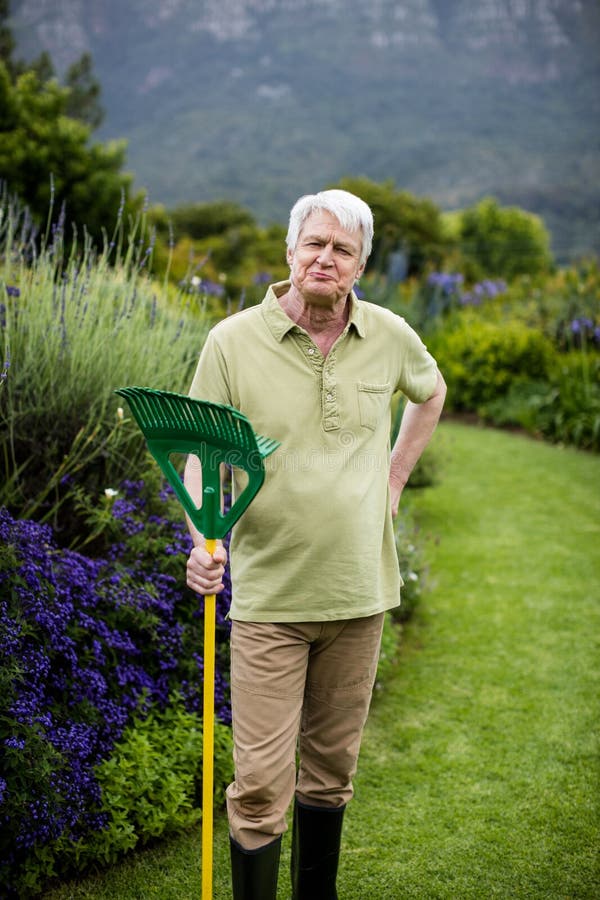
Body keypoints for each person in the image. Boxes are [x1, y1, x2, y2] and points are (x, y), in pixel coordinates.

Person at [184, 189, 446, 899]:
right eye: (315, 244)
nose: (326, 259)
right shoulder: (232, 342)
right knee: (262, 785)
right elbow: (199, 455)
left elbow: (431, 390)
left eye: (343, 250)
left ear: (361, 265)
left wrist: (394, 478)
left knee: (331, 775)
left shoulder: (390, 335)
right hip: (271, 599)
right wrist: (203, 542)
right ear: (290, 252)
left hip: (359, 595)